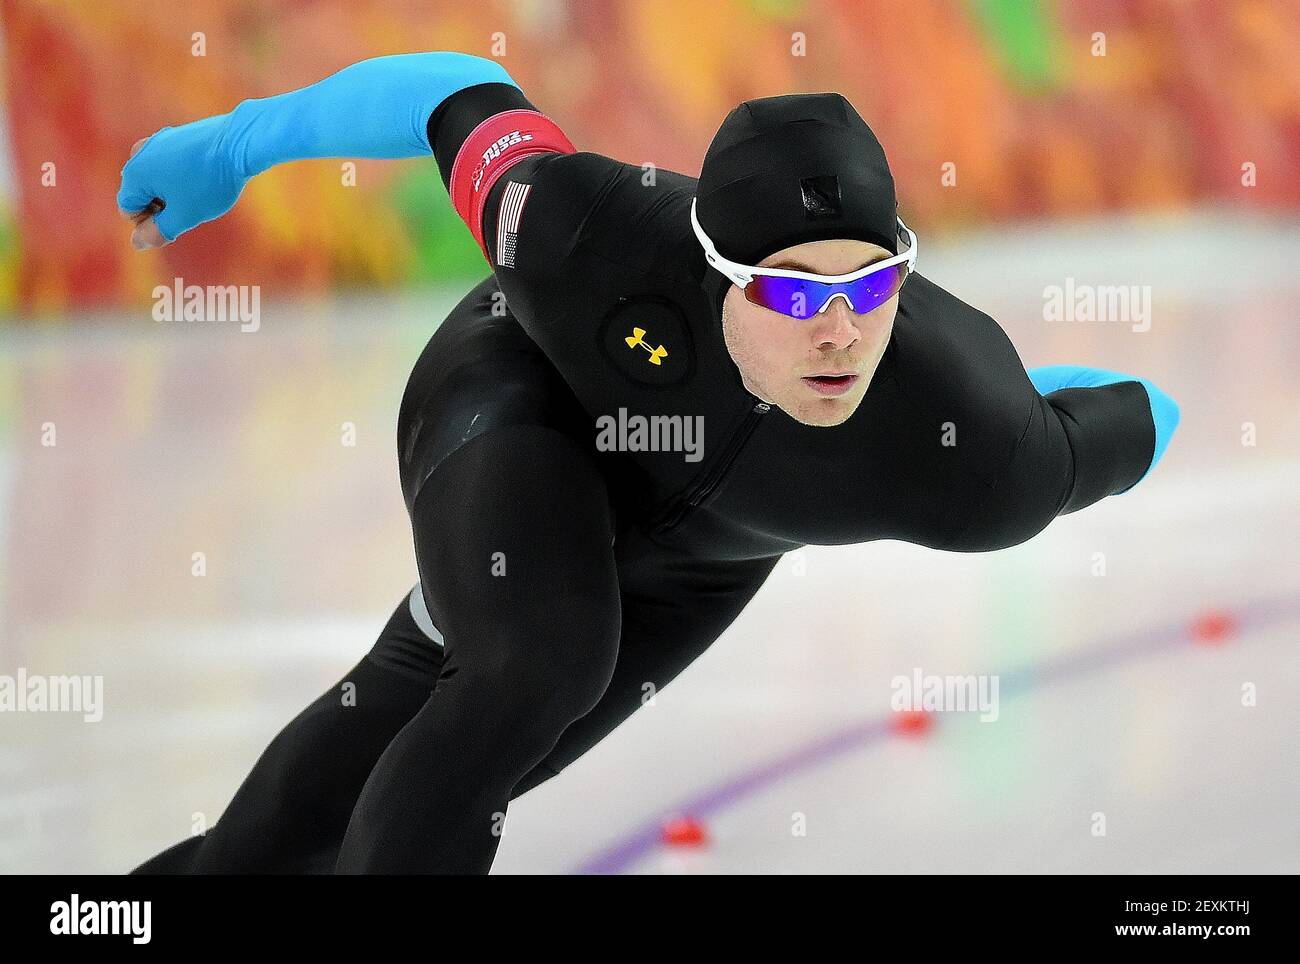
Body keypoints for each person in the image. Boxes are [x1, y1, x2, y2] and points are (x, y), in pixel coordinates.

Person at [120, 52, 1179, 874]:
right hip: (523, 404)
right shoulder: (588, 229)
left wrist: (1024, 415)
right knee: (539, 659)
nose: (838, 332)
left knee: (333, 825)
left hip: (700, 565)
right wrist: (233, 146)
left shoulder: (979, 452)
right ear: (710, 272)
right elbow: (449, 93)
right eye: (793, 294)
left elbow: (1142, 414)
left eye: (868, 287)